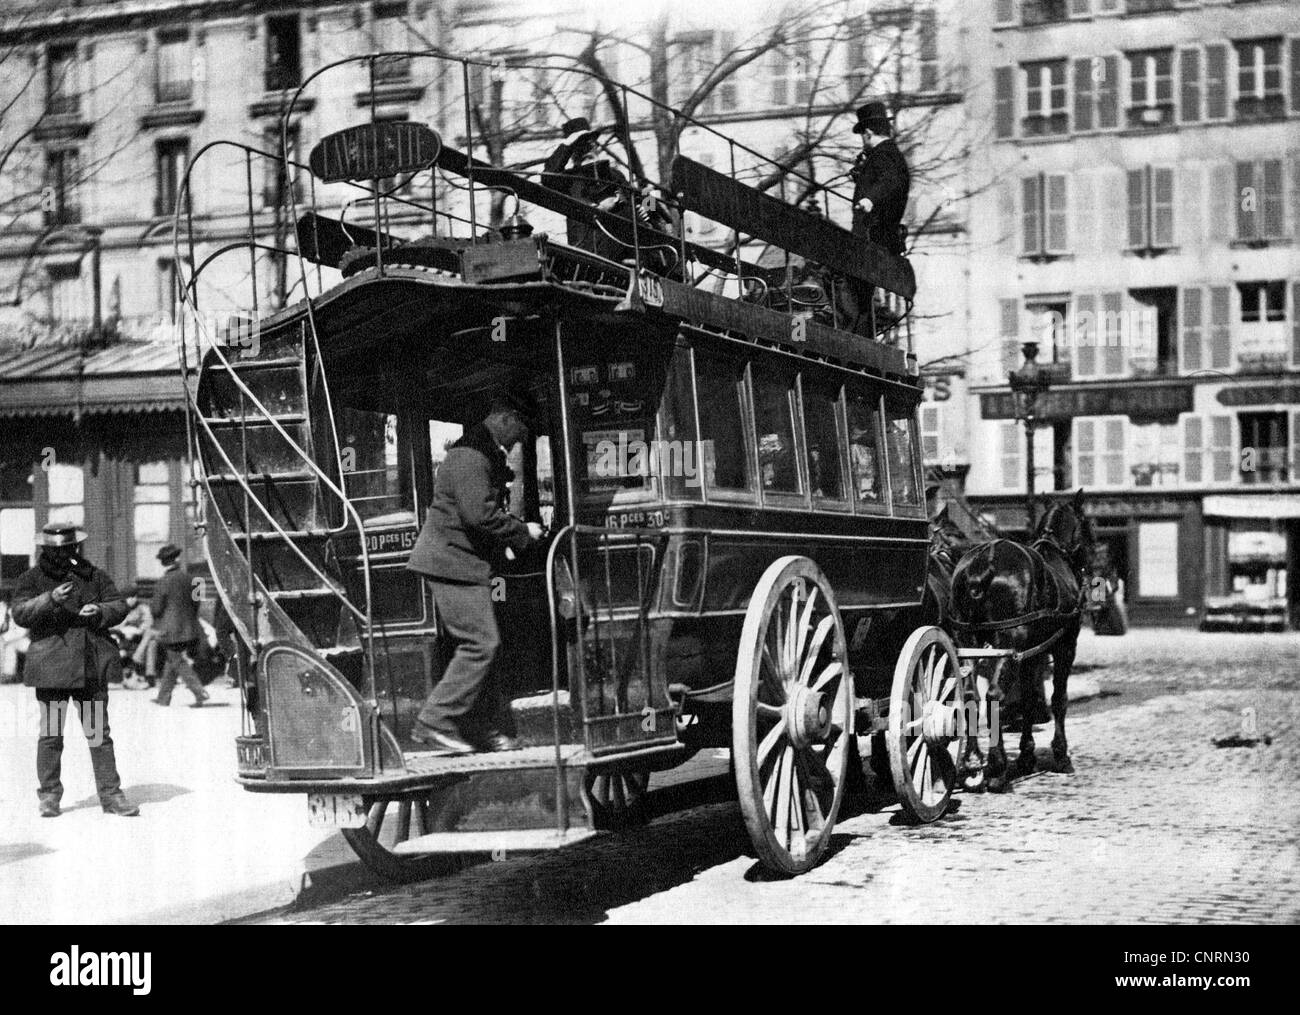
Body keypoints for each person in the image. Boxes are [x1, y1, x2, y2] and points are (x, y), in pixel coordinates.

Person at [406, 386, 544, 754]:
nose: (520, 439)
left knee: (482, 647)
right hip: (452, 564)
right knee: (482, 644)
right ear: (505, 419)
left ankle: (477, 729)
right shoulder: (471, 455)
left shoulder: (479, 452)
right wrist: (522, 532)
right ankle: (434, 720)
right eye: (521, 430)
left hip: (460, 563)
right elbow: (479, 514)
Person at [10, 523, 138, 817]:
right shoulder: (31, 579)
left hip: (89, 667)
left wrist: (101, 611)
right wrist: (50, 599)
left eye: (67, 549)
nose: (62, 555)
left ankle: (111, 795)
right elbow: (20, 613)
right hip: (52, 670)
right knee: (51, 734)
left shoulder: (94, 575)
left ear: (76, 547)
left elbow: (118, 605)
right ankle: (49, 796)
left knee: (98, 734)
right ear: (45, 550)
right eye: (56, 550)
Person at [839, 101, 911, 336]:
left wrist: (870, 199)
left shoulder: (884, 154)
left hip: (872, 236)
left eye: (862, 135)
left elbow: (892, 181)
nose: (862, 140)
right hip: (877, 236)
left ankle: (852, 338)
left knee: (852, 288)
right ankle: (860, 337)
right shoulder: (887, 155)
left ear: (868, 133)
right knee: (860, 293)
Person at [150, 544, 209, 707]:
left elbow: (156, 609)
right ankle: (163, 698)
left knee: (176, 660)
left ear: (163, 562)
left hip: (171, 631)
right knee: (172, 660)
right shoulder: (192, 579)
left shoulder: (162, 582)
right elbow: (197, 603)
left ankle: (199, 691)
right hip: (190, 628)